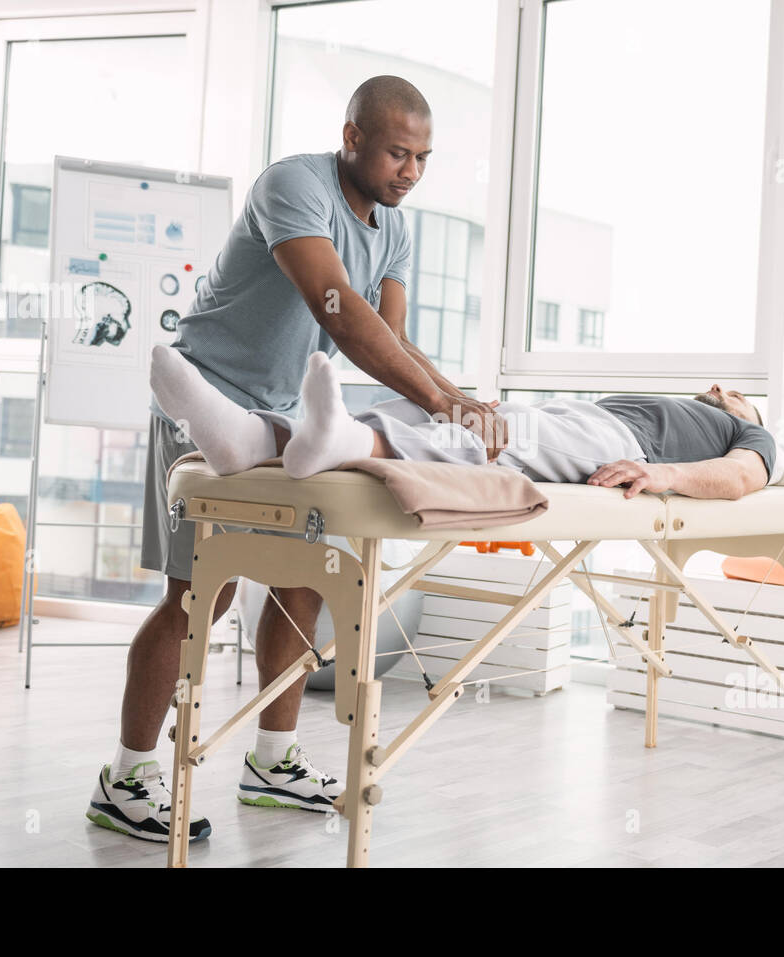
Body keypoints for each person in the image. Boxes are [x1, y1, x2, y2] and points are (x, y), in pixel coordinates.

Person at [88, 76, 506, 844]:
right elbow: (339, 314)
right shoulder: (293, 185)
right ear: (351, 138)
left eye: (422, 157)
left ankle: (272, 762)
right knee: (197, 598)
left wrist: (458, 398)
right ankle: (126, 777)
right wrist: (447, 404)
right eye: (395, 152)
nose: (409, 170)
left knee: (299, 584)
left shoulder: (394, 226)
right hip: (201, 403)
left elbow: (395, 342)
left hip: (282, 425)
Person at [149, 346, 784, 506]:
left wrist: (662, 474)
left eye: (733, 395)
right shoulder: (703, 410)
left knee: (475, 441)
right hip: (578, 419)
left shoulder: (751, 436)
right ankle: (258, 439)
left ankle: (341, 443)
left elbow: (742, 479)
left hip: (618, 447)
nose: (717, 392)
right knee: (437, 412)